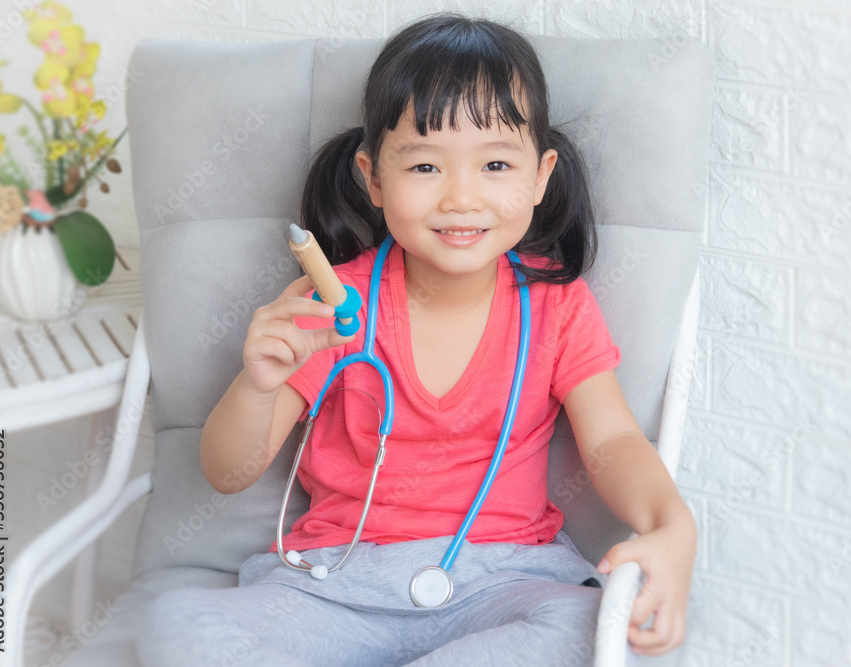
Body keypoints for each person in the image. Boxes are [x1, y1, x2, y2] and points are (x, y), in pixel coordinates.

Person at [138, 11, 697, 667]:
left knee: (588, 626)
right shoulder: (335, 305)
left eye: (495, 163)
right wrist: (256, 386)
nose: (462, 198)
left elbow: (611, 443)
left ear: (541, 177)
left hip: (504, 579)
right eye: (426, 167)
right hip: (337, 585)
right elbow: (227, 473)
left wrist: (672, 523)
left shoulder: (557, 305)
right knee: (178, 625)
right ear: (374, 179)